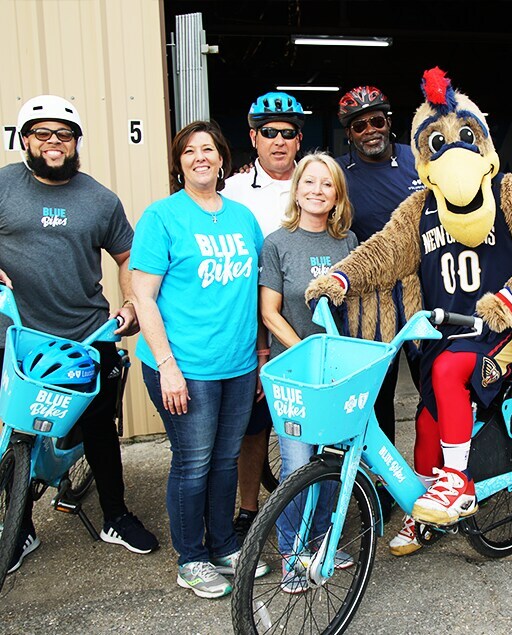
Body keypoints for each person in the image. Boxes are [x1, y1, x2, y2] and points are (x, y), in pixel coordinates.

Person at [307, 68, 512, 559]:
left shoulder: (511, 192)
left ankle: (457, 482)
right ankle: (423, 507)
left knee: (450, 373)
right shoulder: (418, 206)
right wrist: (342, 278)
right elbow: (384, 250)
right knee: (426, 426)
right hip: (443, 333)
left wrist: (511, 300)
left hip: (503, 332)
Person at [0, 95, 159, 575]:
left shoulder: (99, 199)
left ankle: (115, 515)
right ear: (26, 138)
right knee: (16, 432)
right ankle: (19, 528)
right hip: (19, 336)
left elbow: (128, 256)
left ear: (76, 143)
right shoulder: (5, 185)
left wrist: (131, 304)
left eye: (63, 135)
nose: (54, 143)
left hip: (87, 333)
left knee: (99, 430)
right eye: (43, 134)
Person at [130, 120, 266, 599]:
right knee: (193, 462)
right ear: (179, 162)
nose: (200, 157)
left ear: (223, 158)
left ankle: (224, 544)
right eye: (189, 151)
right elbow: (143, 297)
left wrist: (259, 355)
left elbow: (254, 291)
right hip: (184, 366)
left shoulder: (242, 218)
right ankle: (191, 558)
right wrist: (167, 366)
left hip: (237, 363)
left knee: (226, 458)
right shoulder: (162, 217)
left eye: (208, 149)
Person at [259, 151, 359, 592]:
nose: (317, 191)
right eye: (309, 182)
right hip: (299, 371)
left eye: (326, 184)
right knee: (298, 465)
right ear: (296, 189)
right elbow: (270, 313)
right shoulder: (278, 243)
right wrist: (308, 353)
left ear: (337, 195)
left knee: (334, 461)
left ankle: (322, 543)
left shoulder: (348, 242)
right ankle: (292, 552)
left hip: (338, 373)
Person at [335, 85, 425, 534]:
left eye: (377, 120)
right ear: (349, 134)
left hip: (425, 297)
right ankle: (383, 488)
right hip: (372, 306)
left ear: (390, 121)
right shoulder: (341, 177)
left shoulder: (419, 158)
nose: (370, 130)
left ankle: (441, 477)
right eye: (359, 125)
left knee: (435, 391)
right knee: (380, 398)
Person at [222, 91, 305, 542]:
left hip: (305, 324)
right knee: (254, 428)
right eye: (269, 132)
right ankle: (249, 509)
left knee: (307, 425)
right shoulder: (232, 191)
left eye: (287, 133)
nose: (278, 141)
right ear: (253, 137)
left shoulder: (313, 181)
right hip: (253, 327)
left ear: (298, 140)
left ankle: (312, 508)